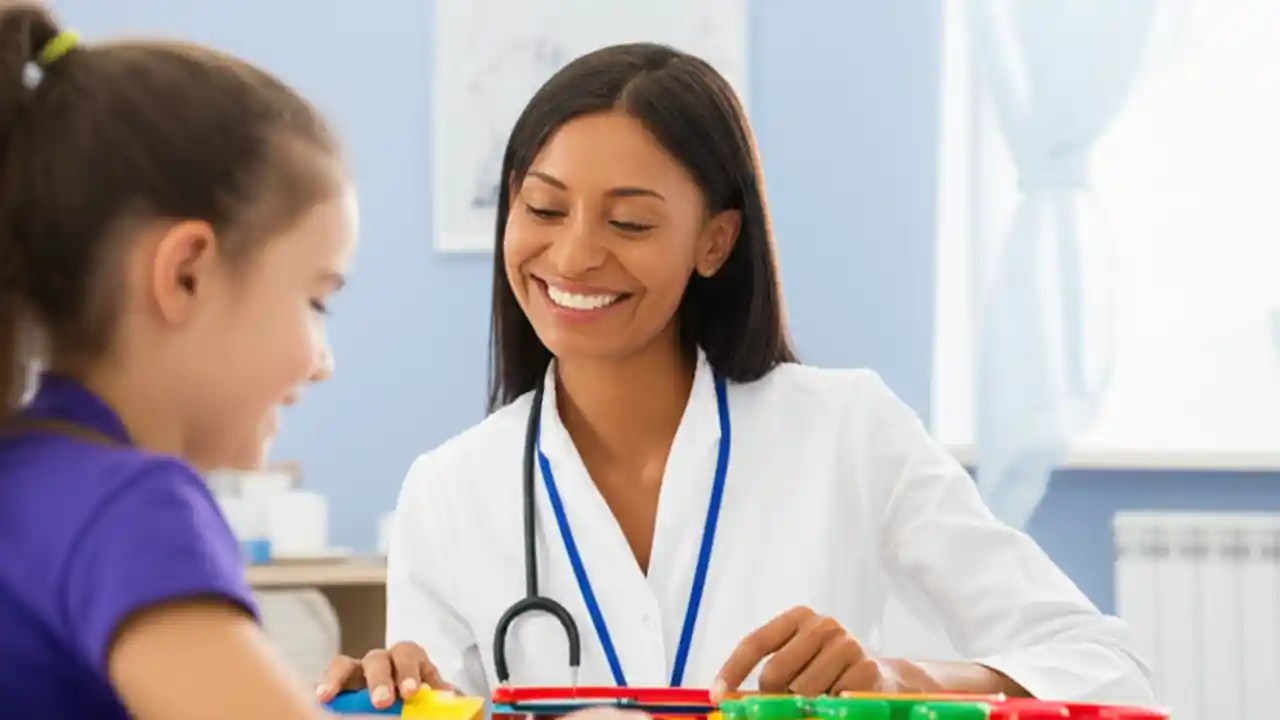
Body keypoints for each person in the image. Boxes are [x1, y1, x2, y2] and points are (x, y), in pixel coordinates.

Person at [318, 42, 1154, 712]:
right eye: (542, 209)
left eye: (630, 221)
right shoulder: (450, 490)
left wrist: (904, 686)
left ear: (714, 242)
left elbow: (1104, 665)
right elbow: (443, 706)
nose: (572, 255)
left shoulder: (847, 431)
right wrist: (393, 695)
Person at [0, 5, 361, 717]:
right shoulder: (132, 506)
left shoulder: (25, 474)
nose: (323, 364)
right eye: (315, 301)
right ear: (187, 273)